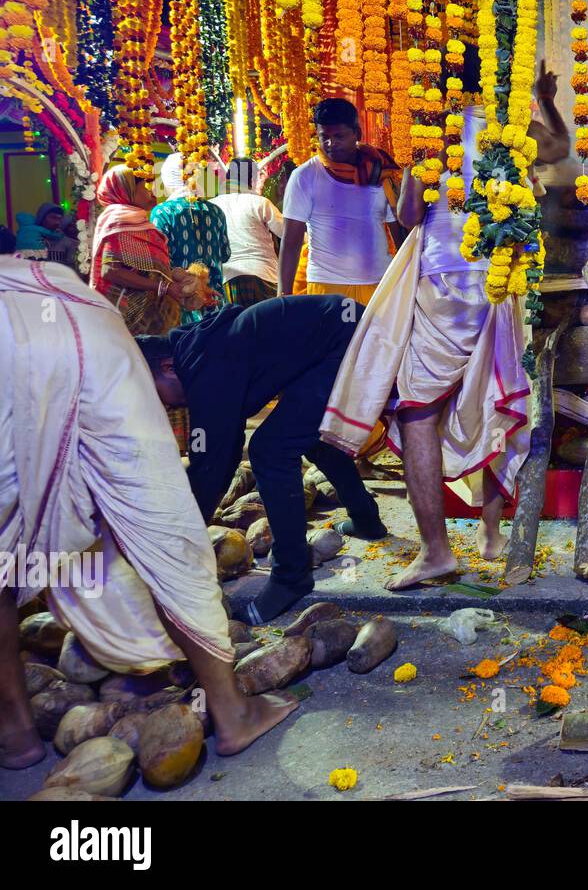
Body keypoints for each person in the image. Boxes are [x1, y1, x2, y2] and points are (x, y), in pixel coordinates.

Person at [0, 256, 296, 770]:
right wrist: (190, 513)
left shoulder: (206, 356)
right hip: (87, 326)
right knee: (161, 524)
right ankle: (231, 712)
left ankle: (15, 731)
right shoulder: (85, 303)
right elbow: (180, 491)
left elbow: (216, 451)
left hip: (26, 338)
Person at [321, 64, 569, 589]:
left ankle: (436, 552)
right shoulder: (512, 122)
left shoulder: (433, 128)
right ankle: (492, 533)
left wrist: (417, 167)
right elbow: (558, 150)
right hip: (499, 282)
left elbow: (411, 215)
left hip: (443, 281)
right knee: (490, 393)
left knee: (416, 409)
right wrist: (545, 99)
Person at [136, 295, 388, 625]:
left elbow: (213, 465)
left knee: (270, 450)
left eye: (153, 392)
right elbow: (215, 456)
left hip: (351, 340)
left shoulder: (204, 368)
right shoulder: (194, 353)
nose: (162, 406)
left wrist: (180, 539)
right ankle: (366, 520)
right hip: (346, 332)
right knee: (308, 437)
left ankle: (291, 576)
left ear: (167, 367)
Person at [278, 99, 398, 303]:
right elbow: (291, 241)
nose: (330, 144)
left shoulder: (381, 173)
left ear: (357, 134)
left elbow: (400, 233)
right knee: (340, 336)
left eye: (339, 136)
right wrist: (283, 297)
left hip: (381, 284)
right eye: (324, 137)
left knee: (382, 336)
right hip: (328, 286)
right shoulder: (305, 176)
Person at [91, 163, 187, 335]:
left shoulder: (139, 221)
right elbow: (110, 271)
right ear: (126, 191)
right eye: (144, 186)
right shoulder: (118, 220)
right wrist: (161, 287)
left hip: (154, 316)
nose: (150, 191)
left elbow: (148, 269)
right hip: (130, 319)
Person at [150, 153, 231, 323]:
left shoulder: (162, 212)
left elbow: (158, 263)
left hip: (181, 306)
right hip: (214, 303)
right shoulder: (216, 211)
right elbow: (225, 254)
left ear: (169, 179)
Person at [212, 168, 285, 307]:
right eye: (259, 177)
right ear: (250, 180)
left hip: (228, 280)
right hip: (264, 276)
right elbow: (289, 234)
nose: (262, 183)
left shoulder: (212, 206)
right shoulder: (259, 202)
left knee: (238, 326)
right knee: (269, 326)